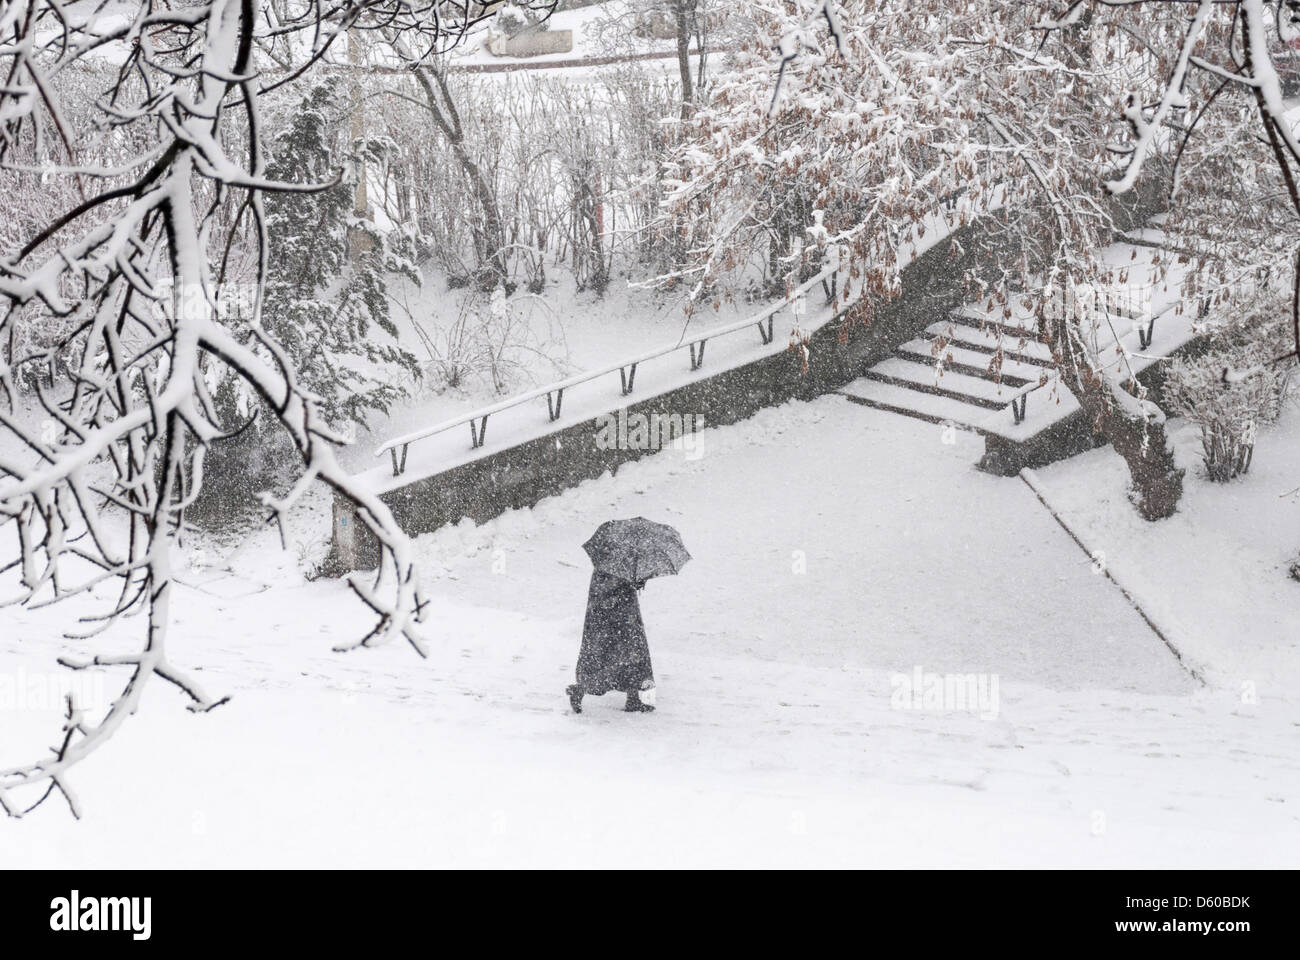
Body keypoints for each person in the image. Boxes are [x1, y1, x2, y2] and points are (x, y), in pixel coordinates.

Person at [567, 571, 656, 713]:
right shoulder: (619, 562)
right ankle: (581, 689)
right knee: (627, 653)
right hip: (621, 613)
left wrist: (635, 580)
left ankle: (632, 698)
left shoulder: (608, 561)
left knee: (618, 655)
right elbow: (616, 586)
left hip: (610, 612)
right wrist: (633, 581)